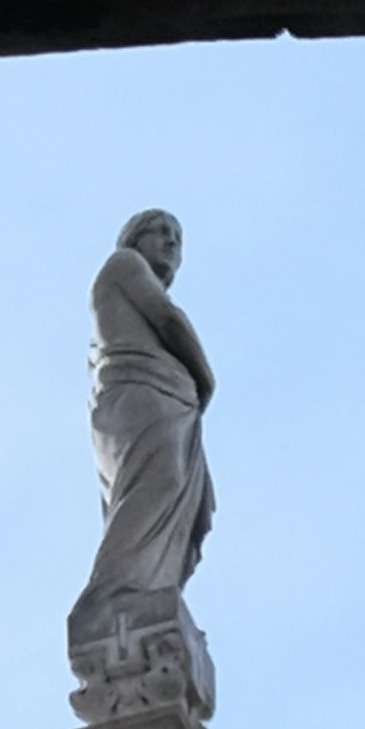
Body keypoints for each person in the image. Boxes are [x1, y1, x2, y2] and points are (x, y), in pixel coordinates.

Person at [77, 208, 215, 643]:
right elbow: (167, 319)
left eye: (179, 237)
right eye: (161, 231)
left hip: (167, 402)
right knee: (155, 483)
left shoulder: (134, 275)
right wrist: (205, 376)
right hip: (141, 396)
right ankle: (112, 592)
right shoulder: (125, 264)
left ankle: (149, 588)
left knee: (173, 495)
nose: (172, 242)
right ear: (135, 237)